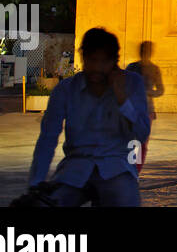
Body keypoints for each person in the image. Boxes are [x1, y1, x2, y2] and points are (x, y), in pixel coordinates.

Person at [28, 27, 149, 206]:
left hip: (116, 167)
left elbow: (141, 133)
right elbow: (48, 138)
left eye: (104, 62)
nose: (97, 68)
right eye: (92, 61)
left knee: (126, 201)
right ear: (83, 57)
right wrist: (36, 183)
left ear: (114, 61)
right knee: (48, 203)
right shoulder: (66, 89)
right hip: (75, 167)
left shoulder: (132, 83)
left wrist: (122, 98)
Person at [124, 41, 164, 174]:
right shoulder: (132, 67)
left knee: (142, 143)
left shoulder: (154, 69)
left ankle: (136, 171)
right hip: (132, 109)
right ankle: (130, 168)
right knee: (131, 141)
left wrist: (146, 92)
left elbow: (160, 90)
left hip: (147, 110)